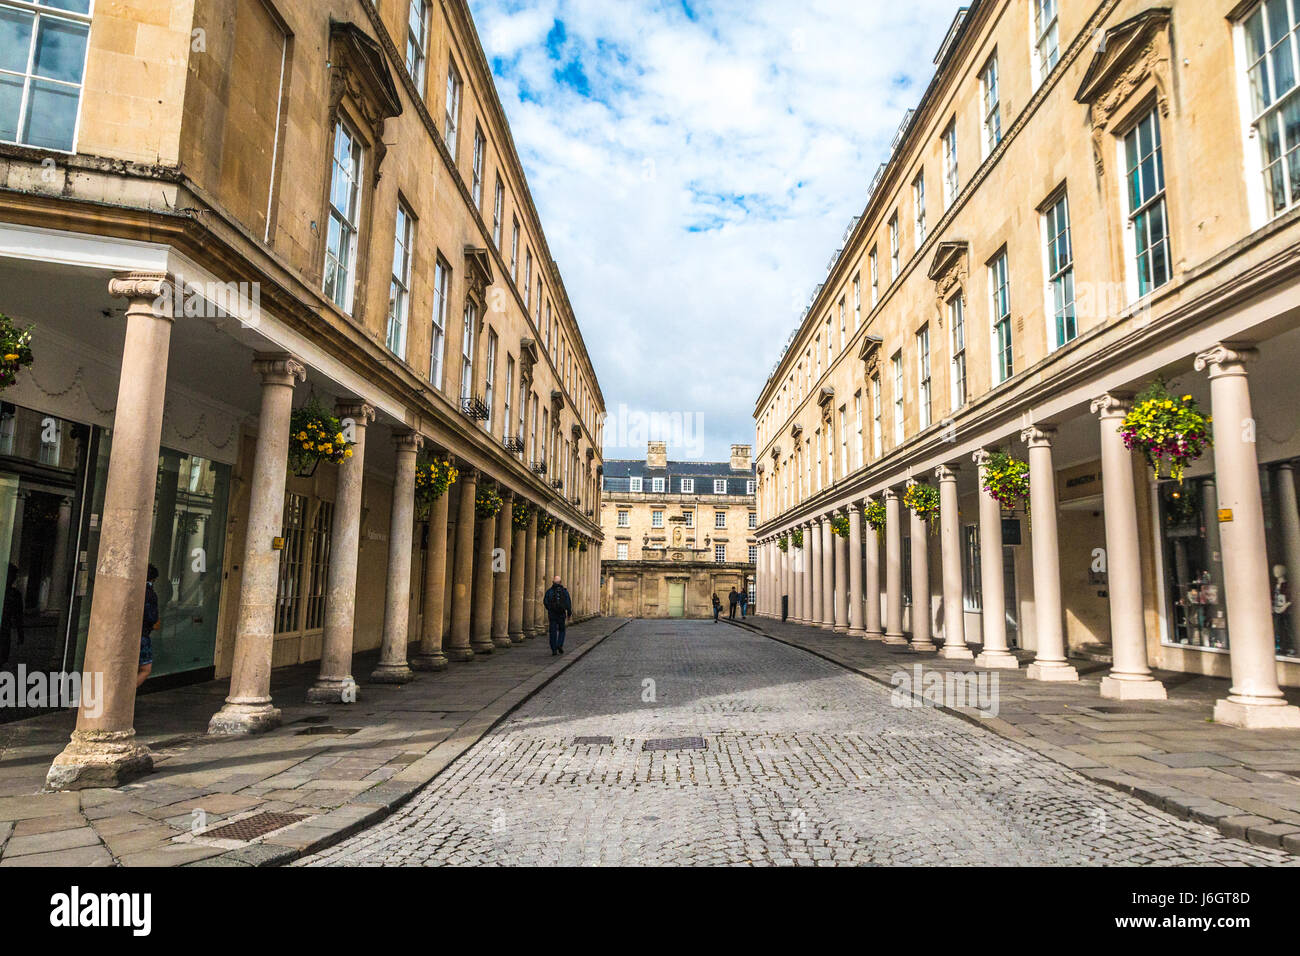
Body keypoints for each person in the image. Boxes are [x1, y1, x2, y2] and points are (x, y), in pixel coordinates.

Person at [138, 564, 160, 688]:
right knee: (145, 669)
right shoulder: (150, 594)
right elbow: (152, 617)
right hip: (142, 635)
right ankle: (126, 695)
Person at [543, 574, 572, 656]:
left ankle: (554, 649)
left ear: (553, 582)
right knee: (562, 630)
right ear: (560, 582)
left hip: (552, 614)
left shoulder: (549, 591)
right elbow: (568, 603)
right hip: (561, 614)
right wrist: (569, 613)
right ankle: (559, 644)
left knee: (553, 631)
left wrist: (550, 609)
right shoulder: (564, 591)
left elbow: (545, 601)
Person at [0, 563, 23, 666]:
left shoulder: (15, 594)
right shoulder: (13, 594)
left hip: (5, 629)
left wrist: (20, 633)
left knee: (2, 657)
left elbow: (18, 615)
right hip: (5, 629)